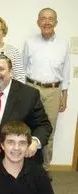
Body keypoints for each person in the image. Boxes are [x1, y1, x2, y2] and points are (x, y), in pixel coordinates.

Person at [23, 8, 70, 173]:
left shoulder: (64, 43)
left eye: (50, 19)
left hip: (54, 91)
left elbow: (65, 71)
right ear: (38, 22)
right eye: (43, 18)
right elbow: (23, 69)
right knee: (27, 128)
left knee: (49, 130)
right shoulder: (30, 42)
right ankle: (27, 167)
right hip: (31, 89)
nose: (47, 22)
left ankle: (44, 169)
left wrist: (64, 95)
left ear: (56, 22)